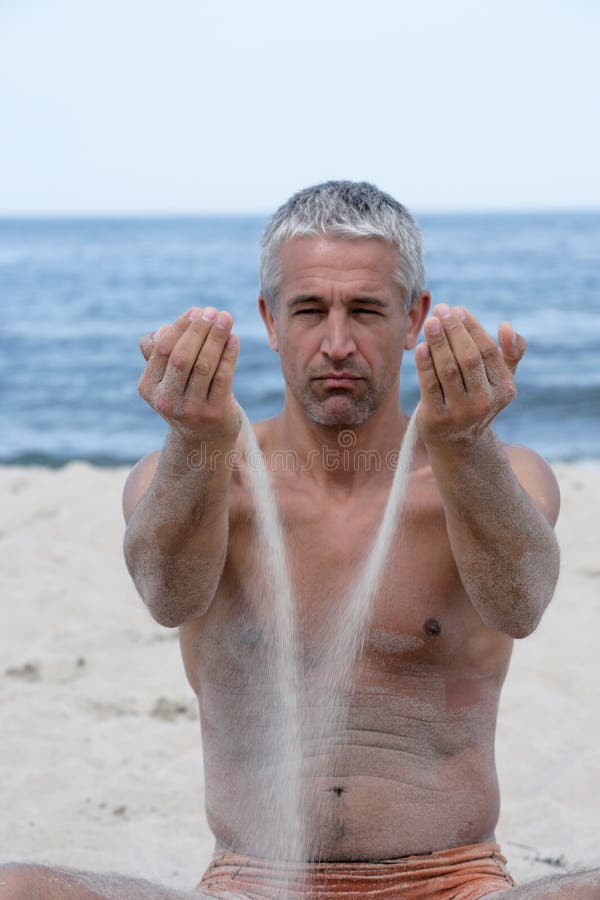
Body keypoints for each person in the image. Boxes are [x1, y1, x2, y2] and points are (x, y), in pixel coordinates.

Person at [2, 182, 599, 899]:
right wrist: (196, 441)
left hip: (454, 881)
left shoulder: (496, 474)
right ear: (270, 319)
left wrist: (465, 443)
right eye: (310, 310)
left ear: (414, 319)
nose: (337, 343)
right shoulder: (197, 475)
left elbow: (522, 603)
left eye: (367, 311)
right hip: (253, 882)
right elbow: (167, 594)